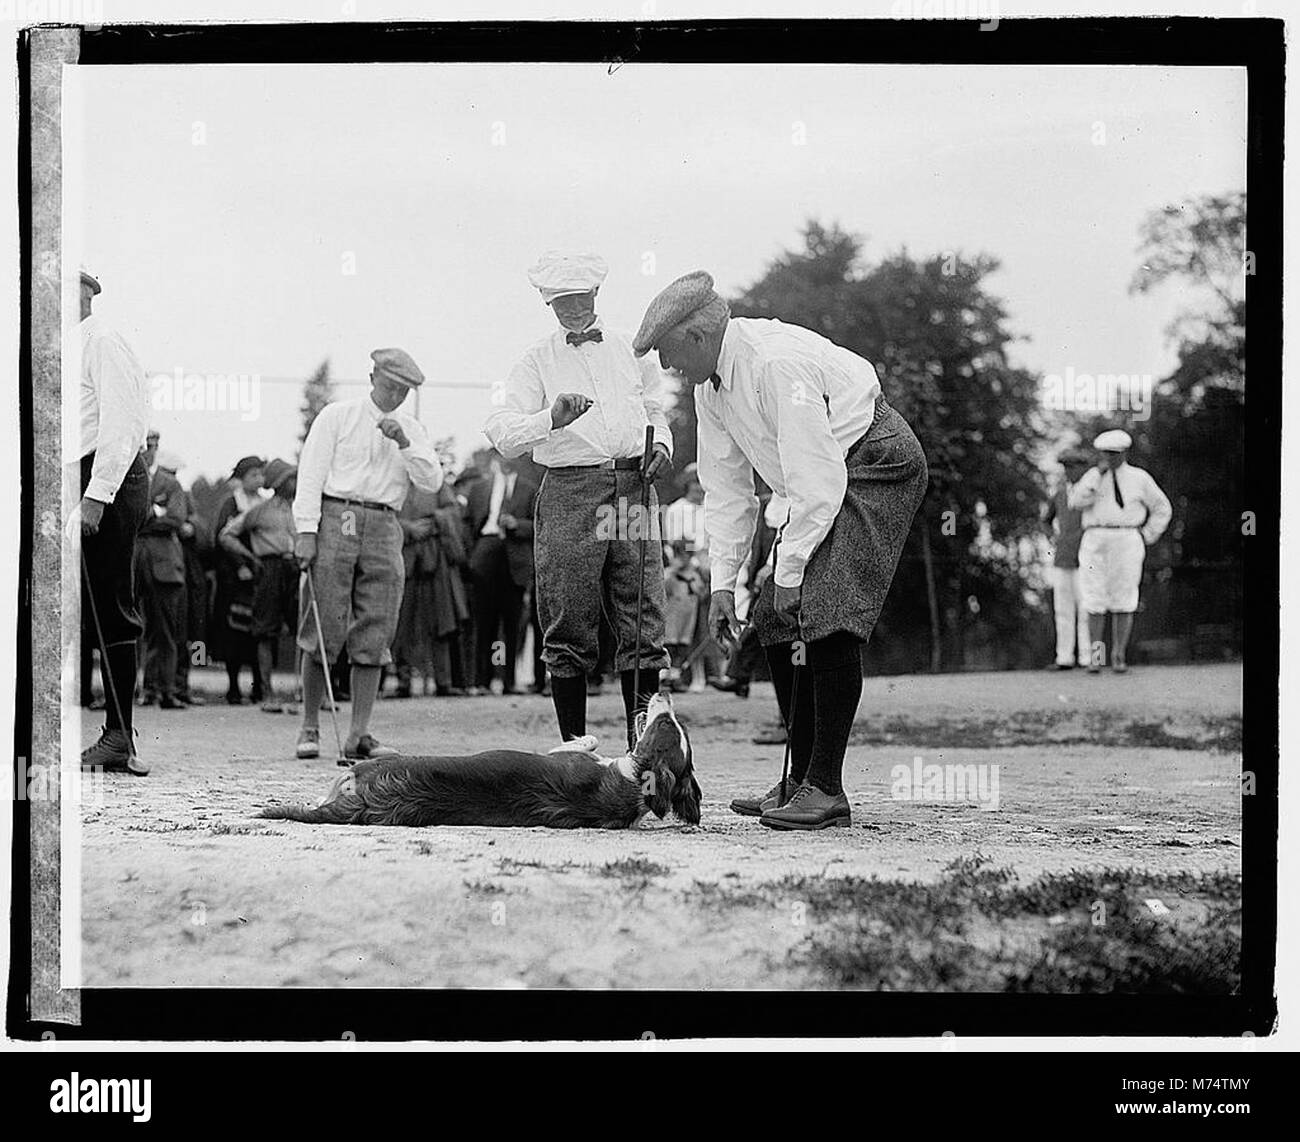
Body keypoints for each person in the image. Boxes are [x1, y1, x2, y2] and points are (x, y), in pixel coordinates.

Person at [634, 270, 928, 830]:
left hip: (876, 461)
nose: (667, 367)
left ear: (697, 338)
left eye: (669, 352)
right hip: (821, 478)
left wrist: (790, 569)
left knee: (826, 611)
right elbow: (728, 492)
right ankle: (798, 780)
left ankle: (826, 789)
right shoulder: (709, 388)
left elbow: (818, 485)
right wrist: (724, 583)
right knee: (770, 615)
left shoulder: (774, 364)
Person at [483, 251, 673, 749]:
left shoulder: (632, 350)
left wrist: (662, 445)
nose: (569, 310)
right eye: (558, 302)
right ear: (548, 303)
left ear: (595, 295)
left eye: (576, 299)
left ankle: (642, 749)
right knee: (568, 611)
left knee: (641, 610)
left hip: (632, 487)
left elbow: (656, 405)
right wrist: (551, 417)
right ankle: (575, 748)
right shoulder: (536, 360)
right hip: (571, 492)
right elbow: (501, 432)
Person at [293, 347, 444, 761]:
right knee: (325, 621)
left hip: (384, 521)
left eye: (404, 391)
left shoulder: (413, 427)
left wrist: (406, 443)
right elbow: (310, 475)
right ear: (373, 376)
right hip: (337, 515)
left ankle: (359, 732)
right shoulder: (337, 415)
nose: (396, 396)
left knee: (377, 623)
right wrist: (306, 530)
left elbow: (431, 481)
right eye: (391, 386)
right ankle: (309, 725)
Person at [70, 266, 152, 774]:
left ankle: (119, 737)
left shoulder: (101, 340)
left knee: (109, 608)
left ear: (85, 295)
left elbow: (121, 423)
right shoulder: (56, 349)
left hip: (107, 477)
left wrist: (97, 497)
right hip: (72, 478)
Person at [1068, 429, 1173, 673]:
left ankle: (1118, 655)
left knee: (1124, 596)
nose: (1110, 458)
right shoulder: (1092, 476)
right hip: (1095, 536)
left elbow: (1162, 508)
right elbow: (1074, 503)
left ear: (1124, 453)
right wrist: (1095, 480)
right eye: (1106, 453)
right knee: (1093, 597)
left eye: (1115, 454)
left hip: (1126, 537)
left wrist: (1147, 534)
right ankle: (1096, 656)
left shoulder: (1139, 478)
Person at [220, 458, 300, 711]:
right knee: (265, 630)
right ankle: (266, 692)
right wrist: (250, 557)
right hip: (270, 570)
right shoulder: (260, 510)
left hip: (296, 569)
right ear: (279, 483)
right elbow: (226, 535)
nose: (296, 483)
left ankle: (309, 694)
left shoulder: (299, 509)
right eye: (291, 478)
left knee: (303, 629)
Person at [463, 452, 539, 695]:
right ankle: (481, 680)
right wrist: (472, 555)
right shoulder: (480, 488)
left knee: (511, 624)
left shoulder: (529, 489)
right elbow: (466, 524)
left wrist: (518, 525)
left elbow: (539, 524)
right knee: (485, 622)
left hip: (515, 559)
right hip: (486, 550)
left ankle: (507, 681)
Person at [390, 478, 471, 698]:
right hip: (402, 560)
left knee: (441, 623)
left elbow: (453, 512)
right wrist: (407, 528)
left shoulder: (436, 483)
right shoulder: (392, 481)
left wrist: (433, 521)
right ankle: (403, 681)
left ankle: (443, 681)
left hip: (435, 561)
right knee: (402, 624)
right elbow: (384, 515)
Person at [135, 448, 189, 709]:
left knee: (166, 631)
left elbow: (177, 519)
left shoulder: (171, 484)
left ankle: (165, 689)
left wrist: (149, 521)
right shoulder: (130, 478)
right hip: (137, 565)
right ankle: (145, 690)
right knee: (138, 630)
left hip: (165, 568)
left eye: (152, 444)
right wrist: (156, 516)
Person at [212, 455, 266, 703]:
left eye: (260, 474)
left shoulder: (265, 503)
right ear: (242, 478)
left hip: (258, 576)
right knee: (234, 631)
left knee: (258, 631)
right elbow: (221, 539)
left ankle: (259, 686)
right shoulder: (232, 503)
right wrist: (239, 566)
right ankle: (233, 687)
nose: (259, 479)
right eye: (253, 475)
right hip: (235, 578)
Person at [1042, 446, 1093, 670]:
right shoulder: (1060, 493)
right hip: (1063, 556)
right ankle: (1064, 658)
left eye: (1072, 467)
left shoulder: (1092, 492)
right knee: (1062, 609)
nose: (1068, 472)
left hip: (1087, 557)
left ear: (1083, 468)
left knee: (1087, 607)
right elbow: (1045, 520)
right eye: (1066, 467)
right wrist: (1051, 536)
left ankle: (1087, 657)